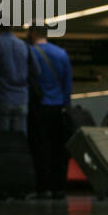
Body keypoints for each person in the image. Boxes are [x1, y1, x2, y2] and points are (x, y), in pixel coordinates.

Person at [27, 23, 73, 198]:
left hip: (38, 107)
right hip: (58, 107)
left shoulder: (30, 52)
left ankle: (42, 186)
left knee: (39, 147)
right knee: (58, 148)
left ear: (32, 33)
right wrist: (65, 105)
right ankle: (59, 186)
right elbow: (67, 84)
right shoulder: (61, 54)